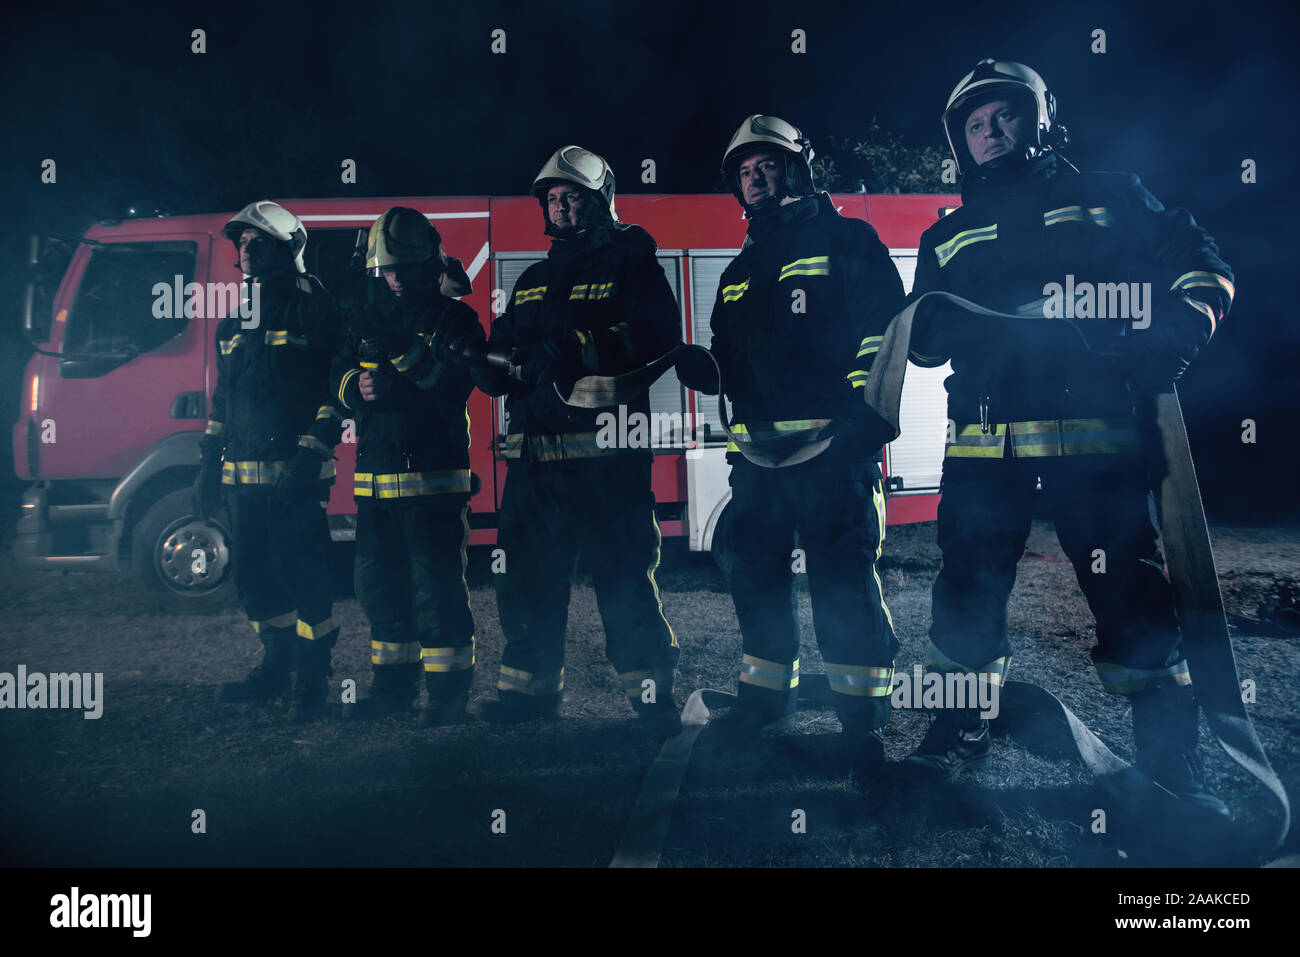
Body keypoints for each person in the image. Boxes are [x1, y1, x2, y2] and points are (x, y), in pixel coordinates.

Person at [903, 60, 1235, 820]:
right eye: (976, 124)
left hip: (1099, 448)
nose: (991, 132)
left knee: (1134, 601)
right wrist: (925, 330)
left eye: (1006, 115)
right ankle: (958, 725)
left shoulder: (1109, 196)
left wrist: (1170, 341)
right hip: (985, 454)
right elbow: (919, 344)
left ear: (1041, 118)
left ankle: (1170, 761)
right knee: (963, 600)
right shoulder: (947, 235)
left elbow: (1204, 271)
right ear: (963, 143)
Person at [704, 115, 905, 772]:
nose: (756, 178)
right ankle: (764, 701)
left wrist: (861, 421)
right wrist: (702, 368)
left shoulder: (847, 240)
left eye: (767, 165)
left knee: (842, 583)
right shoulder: (740, 268)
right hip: (758, 463)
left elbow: (881, 334)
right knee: (756, 581)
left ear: (797, 169)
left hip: (832, 454)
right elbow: (730, 357)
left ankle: (862, 719)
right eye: (745, 171)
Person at [474, 145, 682, 736]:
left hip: (606, 465)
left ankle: (652, 700)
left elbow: (656, 336)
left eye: (572, 198)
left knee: (622, 581)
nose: (561, 208)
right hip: (536, 466)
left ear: (598, 202)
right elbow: (507, 345)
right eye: (553, 200)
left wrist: (574, 350)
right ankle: (530, 695)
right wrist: (487, 365)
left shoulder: (632, 264)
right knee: (527, 582)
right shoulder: (535, 280)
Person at [332, 207, 485, 726]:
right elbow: (338, 374)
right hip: (374, 488)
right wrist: (356, 385)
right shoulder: (368, 316)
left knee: (437, 591)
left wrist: (400, 350)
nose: (394, 278)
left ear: (428, 263)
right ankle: (393, 692)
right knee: (380, 590)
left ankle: (447, 699)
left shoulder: (455, 319)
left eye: (403, 268)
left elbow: (449, 386)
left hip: (433, 485)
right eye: (386, 271)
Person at [194, 200, 346, 722]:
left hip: (294, 477)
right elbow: (223, 401)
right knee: (253, 577)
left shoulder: (314, 309)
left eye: (258, 243)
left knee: (304, 574)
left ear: (288, 249)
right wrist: (208, 462)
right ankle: (278, 665)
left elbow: (338, 389)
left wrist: (311, 453)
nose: (246, 252)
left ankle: (314, 677)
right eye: (241, 244)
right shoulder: (235, 320)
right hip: (241, 479)